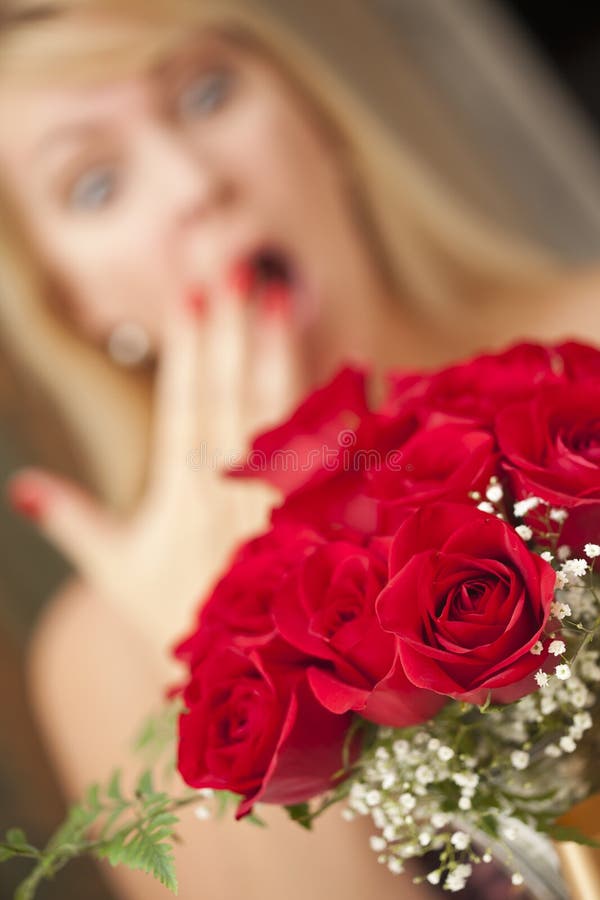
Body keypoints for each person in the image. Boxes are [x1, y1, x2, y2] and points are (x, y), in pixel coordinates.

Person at [0, 0, 598, 897]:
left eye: (206, 93)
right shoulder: (98, 652)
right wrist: (221, 651)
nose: (196, 183)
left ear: (320, 124)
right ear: (77, 305)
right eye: (95, 185)